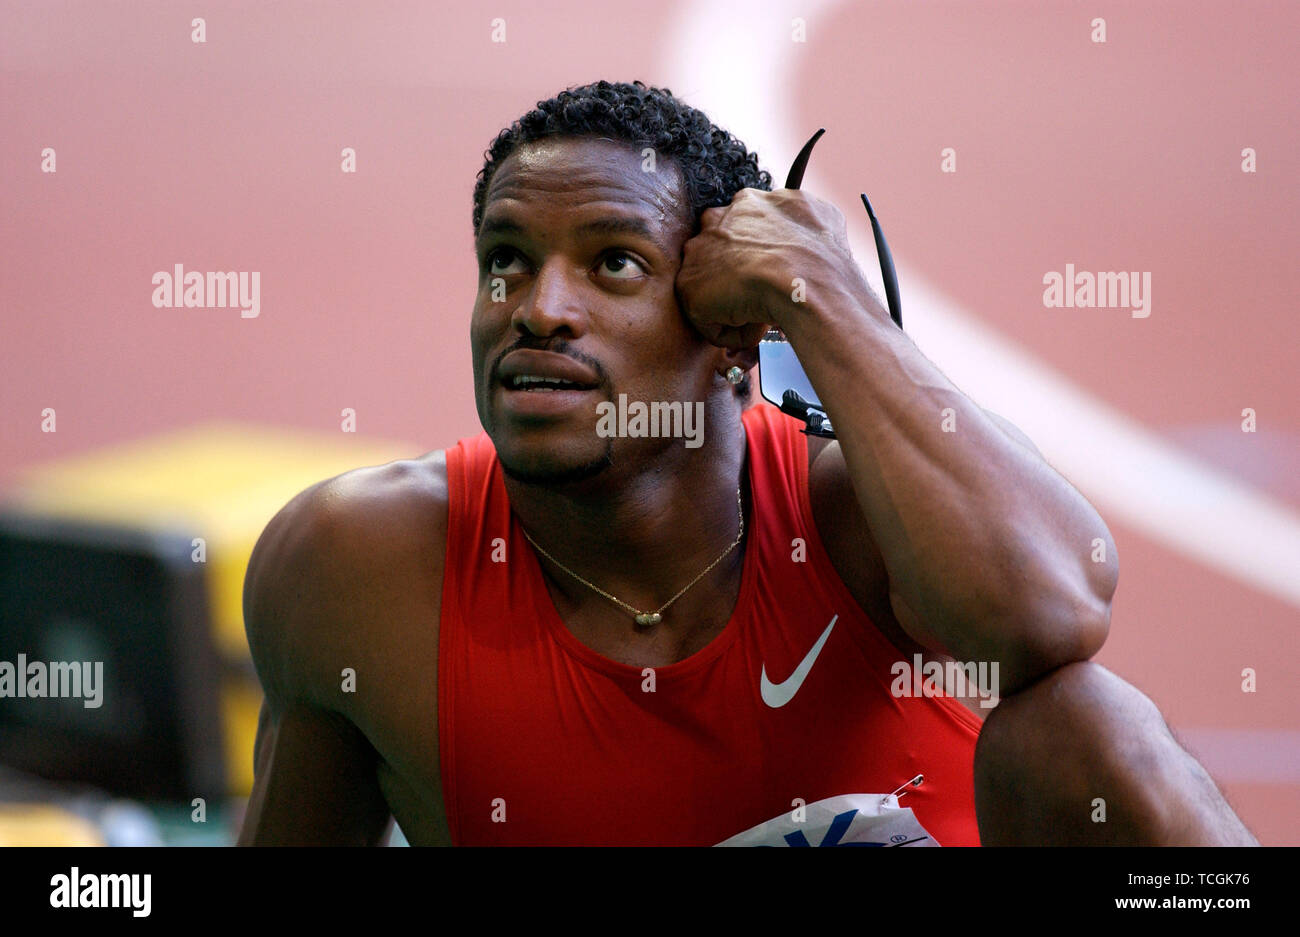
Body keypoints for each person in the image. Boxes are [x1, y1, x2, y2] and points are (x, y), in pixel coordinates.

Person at [237, 80, 1255, 846]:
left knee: (1085, 729)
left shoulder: (857, 511)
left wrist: (825, 295)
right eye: (505, 259)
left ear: (730, 330)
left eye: (613, 263)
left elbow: (1051, 618)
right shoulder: (357, 566)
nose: (537, 307)